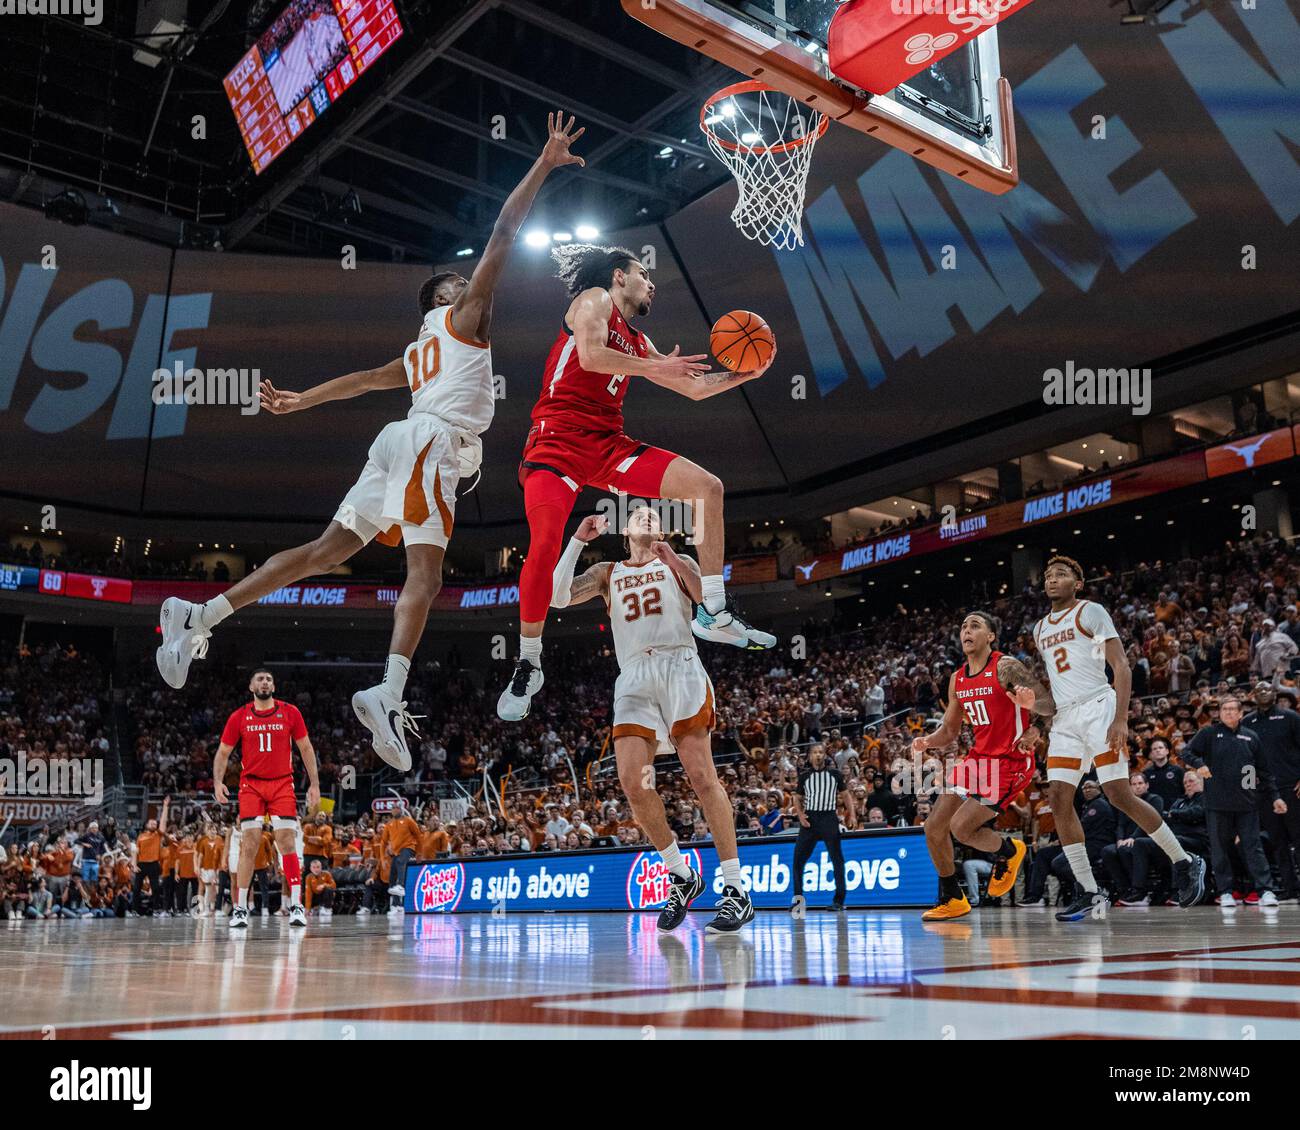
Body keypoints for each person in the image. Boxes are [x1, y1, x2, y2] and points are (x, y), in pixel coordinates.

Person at [156, 114, 585, 772]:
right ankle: (387, 691)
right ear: (445, 298)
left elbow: (360, 381)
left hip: (397, 444)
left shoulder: (418, 353)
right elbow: (504, 231)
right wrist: (545, 164)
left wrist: (301, 399)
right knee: (426, 575)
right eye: (461, 282)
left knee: (324, 554)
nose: (475, 283)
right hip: (432, 444)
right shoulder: (464, 317)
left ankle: (199, 616)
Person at [497, 242, 778, 722]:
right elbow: (590, 356)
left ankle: (713, 610)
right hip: (557, 442)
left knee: (707, 488)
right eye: (644, 274)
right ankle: (529, 661)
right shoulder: (593, 300)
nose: (652, 284)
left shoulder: (638, 340)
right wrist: (656, 366)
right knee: (544, 543)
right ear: (619, 276)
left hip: (608, 446)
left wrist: (744, 374)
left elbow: (692, 387)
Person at [550, 506, 753, 933]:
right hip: (634, 677)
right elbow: (557, 596)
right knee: (632, 782)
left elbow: (707, 601)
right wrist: (577, 541)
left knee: (702, 777)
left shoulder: (679, 561)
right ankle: (680, 873)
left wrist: (675, 560)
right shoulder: (607, 572)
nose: (646, 518)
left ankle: (736, 888)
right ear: (625, 531)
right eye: (638, 514)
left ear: (662, 531)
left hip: (680, 667)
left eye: (653, 516)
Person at [1032, 556, 1205, 920]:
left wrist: (1121, 718)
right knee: (1059, 798)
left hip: (1098, 705)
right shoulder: (1039, 628)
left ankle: (1184, 861)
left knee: (1119, 795)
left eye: (1061, 574)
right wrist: (1033, 714)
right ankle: (1089, 890)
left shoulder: (1090, 611)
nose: (1052, 580)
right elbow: (1056, 683)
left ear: (1078, 584)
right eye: (1048, 575)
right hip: (1065, 717)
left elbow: (1121, 666)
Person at [911, 611, 1049, 920]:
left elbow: (1048, 705)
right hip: (977, 759)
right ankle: (953, 898)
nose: (967, 631)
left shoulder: (1006, 666)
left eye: (975, 626)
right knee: (933, 827)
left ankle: (1010, 851)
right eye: (963, 626)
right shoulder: (957, 679)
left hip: (1010, 762)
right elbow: (950, 730)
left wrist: (1033, 721)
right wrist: (927, 741)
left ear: (990, 636)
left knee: (961, 828)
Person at [212, 668, 321, 928]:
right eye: (260, 679)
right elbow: (223, 752)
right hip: (251, 785)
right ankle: (240, 908)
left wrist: (315, 784)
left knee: (286, 842)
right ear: (251, 687)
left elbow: (306, 747)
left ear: (274, 686)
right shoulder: (239, 716)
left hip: (282, 783)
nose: (265, 682)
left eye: (269, 679)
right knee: (249, 844)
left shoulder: (290, 712)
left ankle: (296, 905)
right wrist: (217, 781)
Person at [1181, 695, 1286, 907]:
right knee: (1220, 849)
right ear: (1220, 713)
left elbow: (1263, 771)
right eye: (1224, 709)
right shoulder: (1209, 733)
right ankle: (1226, 892)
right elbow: (1186, 752)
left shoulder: (1251, 737)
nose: (1228, 712)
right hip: (1216, 804)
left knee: (1253, 847)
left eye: (1232, 709)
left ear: (1240, 713)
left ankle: (1265, 890)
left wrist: (1275, 797)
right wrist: (1199, 764)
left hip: (1247, 804)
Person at [1242, 682, 1300, 900]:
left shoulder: (1290, 717)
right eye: (1259, 691)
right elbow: (1245, 759)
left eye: (1267, 689)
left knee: (1298, 837)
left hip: (1291, 787)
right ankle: (1290, 889)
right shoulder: (1247, 722)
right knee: (1277, 842)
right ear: (1253, 696)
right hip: (1263, 792)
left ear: (1274, 694)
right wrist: (1249, 788)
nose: (1264, 693)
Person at [791, 743, 855, 913]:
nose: (818, 755)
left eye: (821, 752)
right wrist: (800, 815)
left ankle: (839, 901)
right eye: (815, 752)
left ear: (825, 755)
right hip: (810, 819)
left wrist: (852, 815)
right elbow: (797, 798)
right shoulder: (804, 776)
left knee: (837, 859)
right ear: (810, 756)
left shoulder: (835, 774)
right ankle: (798, 901)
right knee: (797, 860)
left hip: (828, 818)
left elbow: (846, 796)